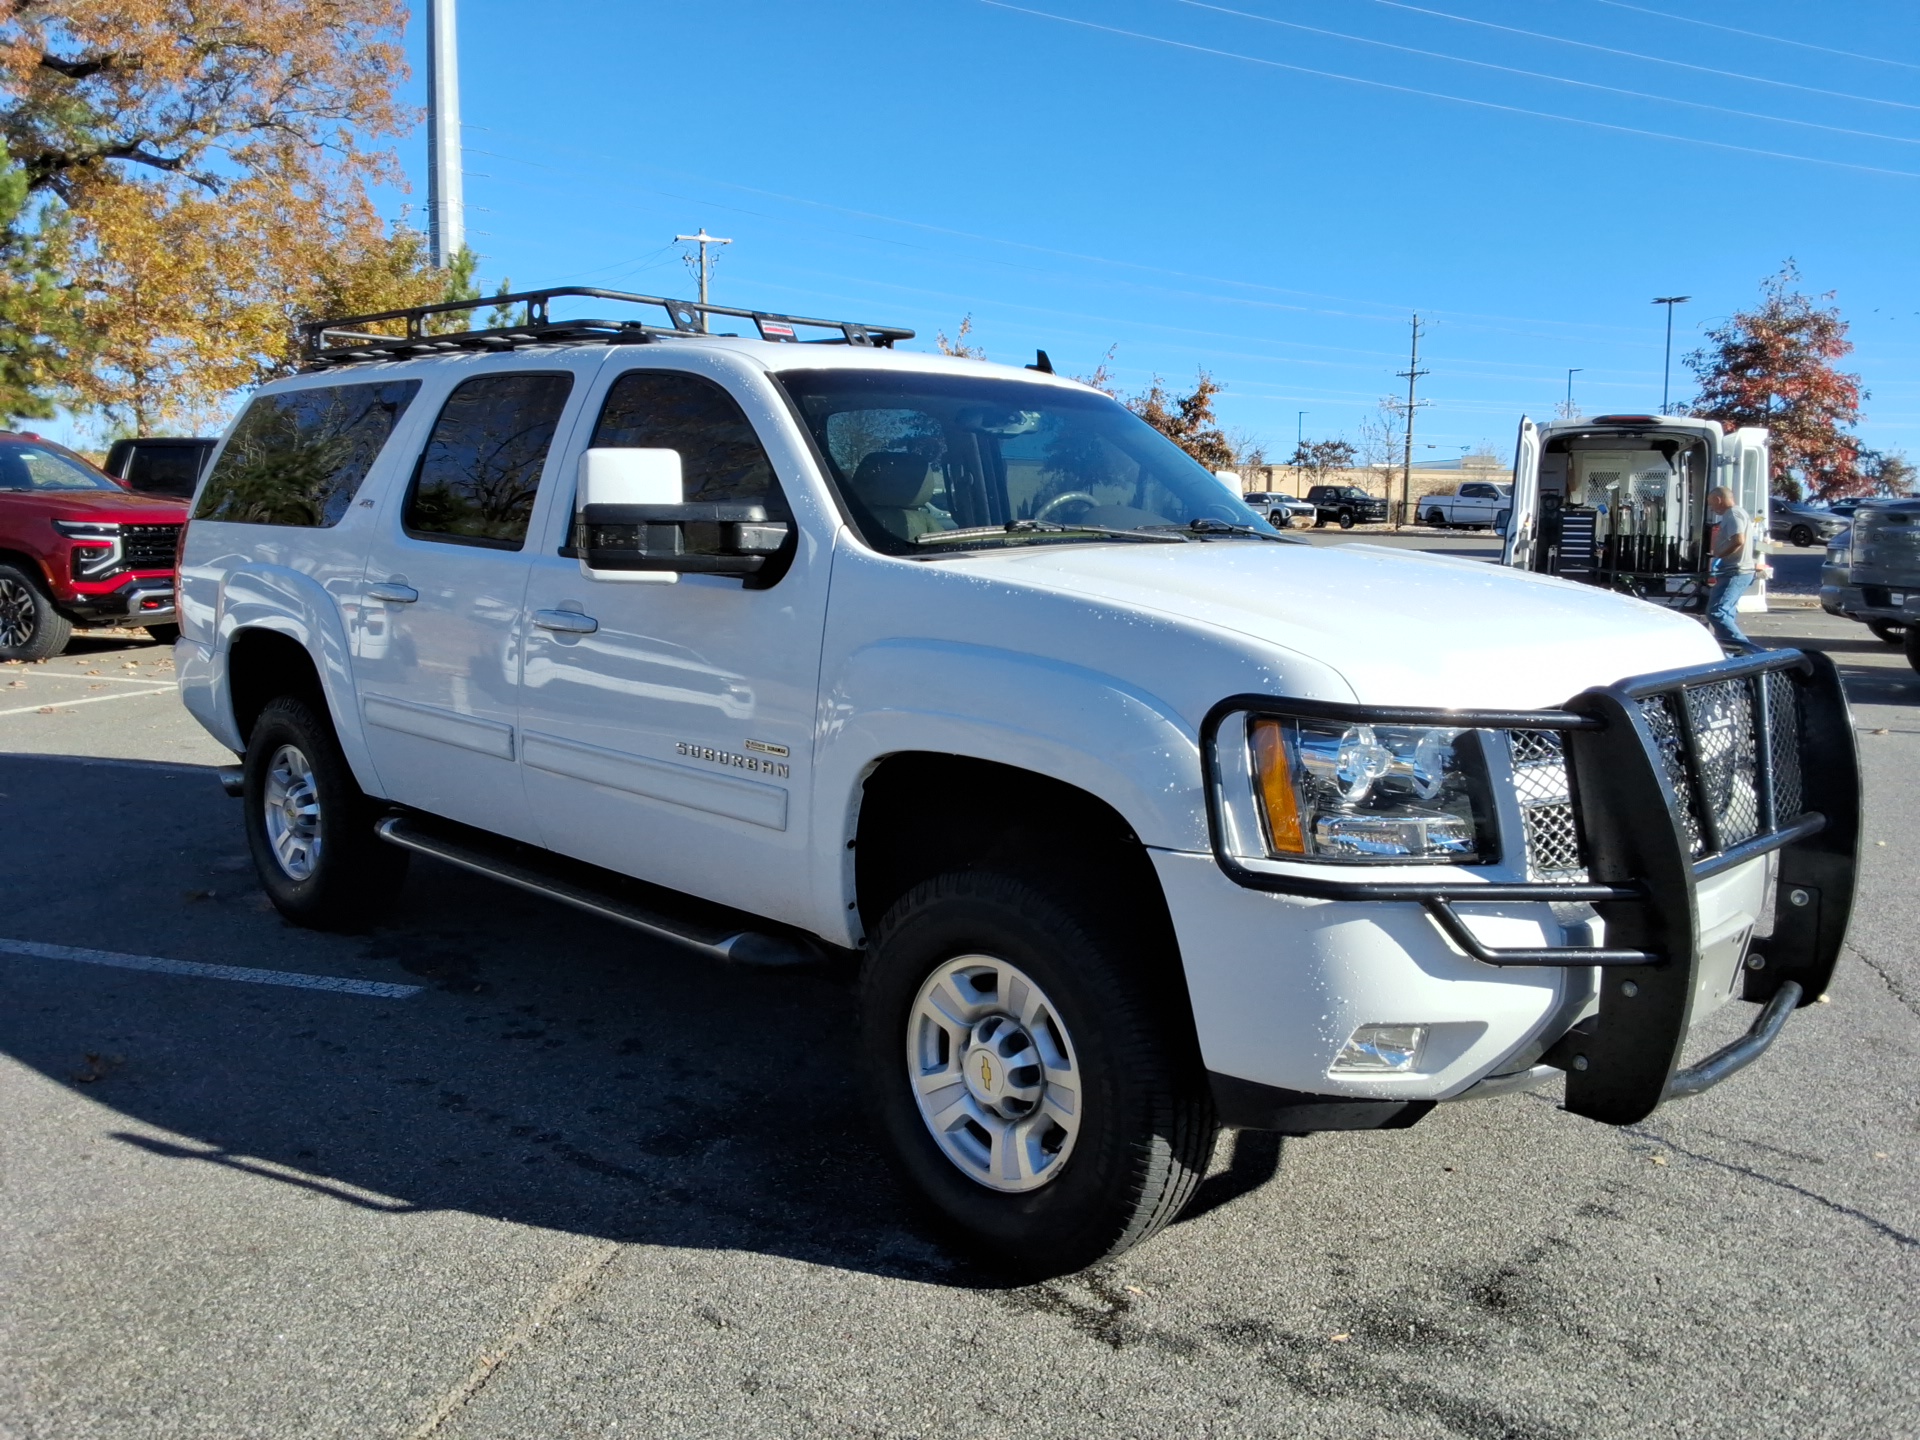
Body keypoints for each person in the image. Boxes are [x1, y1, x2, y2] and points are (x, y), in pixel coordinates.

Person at [1704, 485, 1761, 653]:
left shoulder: (1733, 514)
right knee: (1727, 612)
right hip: (1738, 570)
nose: (1711, 508)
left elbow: (1738, 540)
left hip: (1735, 571)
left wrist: (1719, 553)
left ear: (1718, 499)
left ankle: (1748, 651)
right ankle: (1730, 651)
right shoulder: (1739, 512)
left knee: (1716, 612)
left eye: (1711, 503)